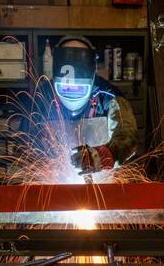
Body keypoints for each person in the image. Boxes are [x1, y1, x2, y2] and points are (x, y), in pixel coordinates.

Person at [49, 36, 138, 174]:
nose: (72, 94)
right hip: (51, 181)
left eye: (79, 89)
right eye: (65, 88)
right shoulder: (41, 95)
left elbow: (128, 136)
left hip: (102, 180)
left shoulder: (108, 96)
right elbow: (22, 143)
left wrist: (103, 156)